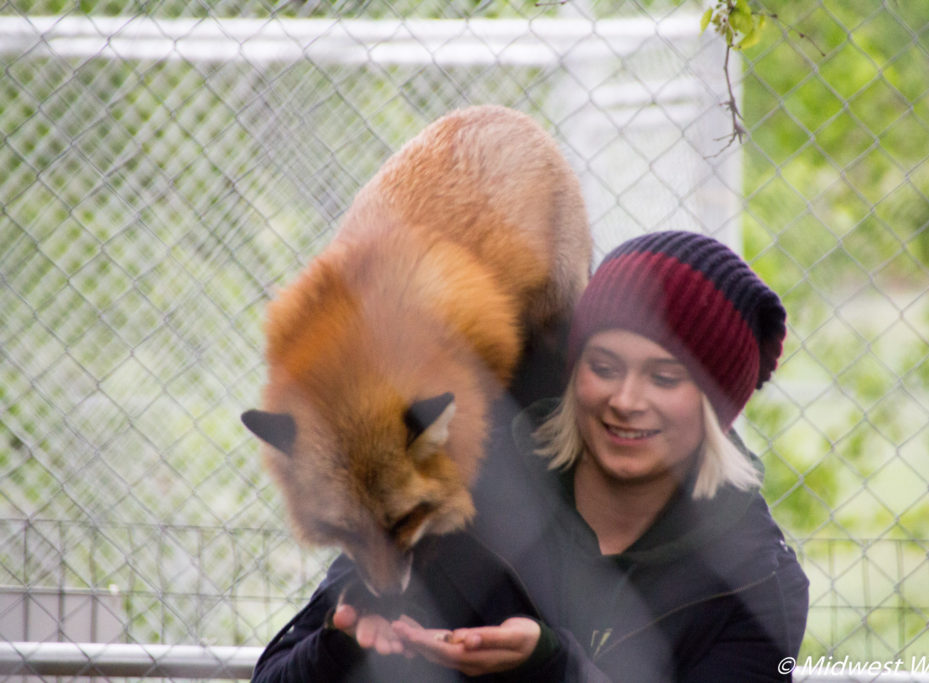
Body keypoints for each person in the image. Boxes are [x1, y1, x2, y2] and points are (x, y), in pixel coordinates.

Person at [252, 230, 809, 682]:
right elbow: (275, 676)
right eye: (605, 367)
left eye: (665, 377)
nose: (625, 400)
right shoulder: (461, 478)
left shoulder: (759, 579)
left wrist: (553, 671)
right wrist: (340, 651)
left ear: (716, 403)